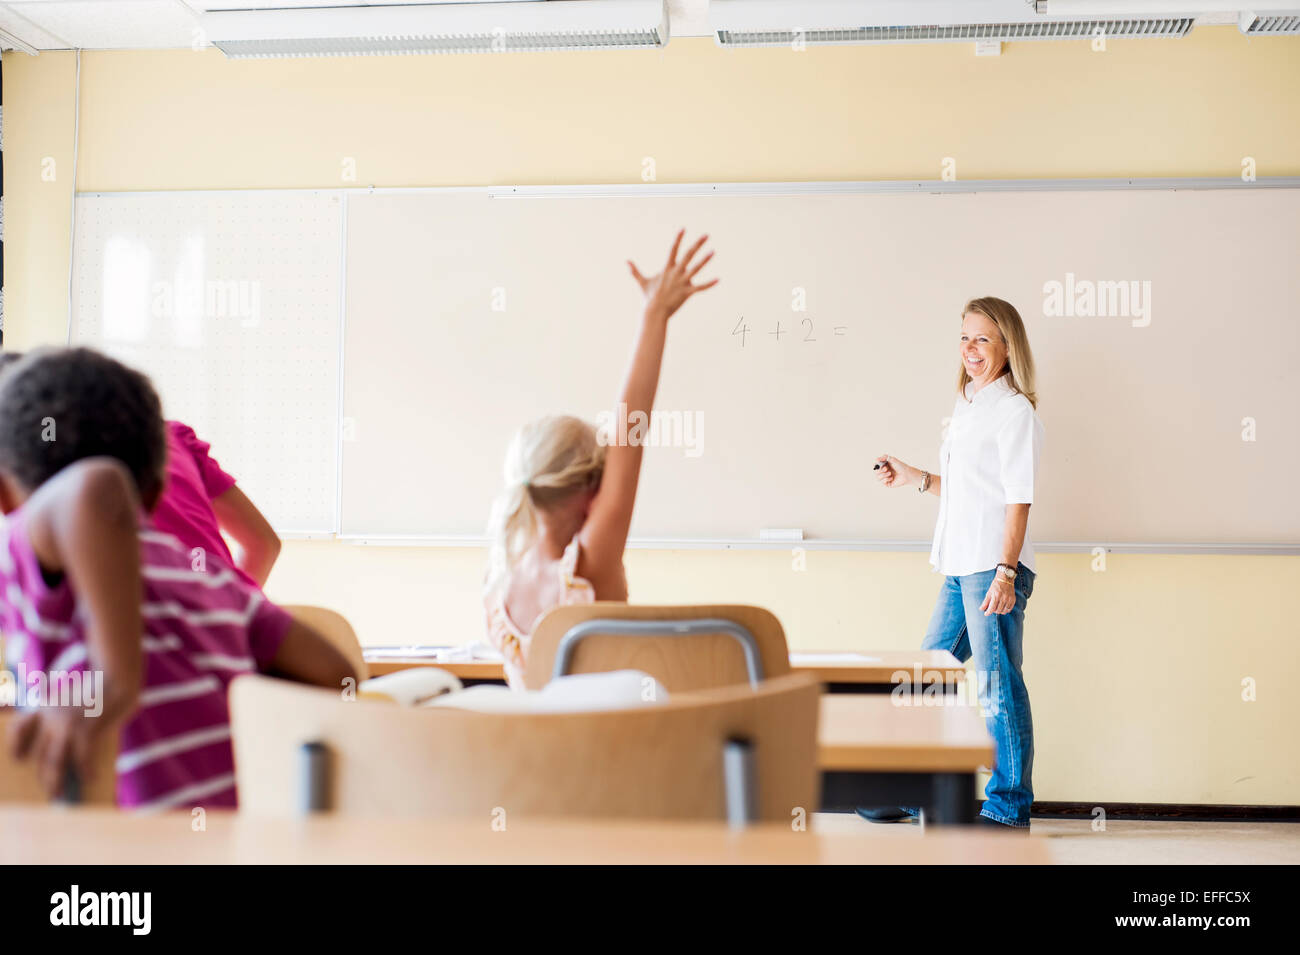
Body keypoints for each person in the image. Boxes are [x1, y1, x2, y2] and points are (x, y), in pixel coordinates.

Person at [0, 347, 355, 808]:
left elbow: (97, 486)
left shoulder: (23, 550)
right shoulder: (210, 581)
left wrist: (116, 680)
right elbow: (336, 673)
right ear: (156, 489)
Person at [483, 231, 718, 688]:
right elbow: (631, 431)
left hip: (531, 757)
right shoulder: (587, 569)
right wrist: (655, 315)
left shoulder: (500, 581)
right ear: (592, 493)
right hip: (605, 754)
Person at [870, 297, 1044, 830]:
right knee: (925, 674)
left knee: (997, 686)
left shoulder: (1015, 412)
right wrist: (915, 477)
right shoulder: (970, 405)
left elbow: (1018, 500)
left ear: (1007, 347)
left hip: (992, 569)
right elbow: (971, 492)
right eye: (965, 337)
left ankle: (1008, 808)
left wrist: (1006, 574)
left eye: (983, 339)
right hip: (959, 564)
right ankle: (914, 789)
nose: (970, 348)